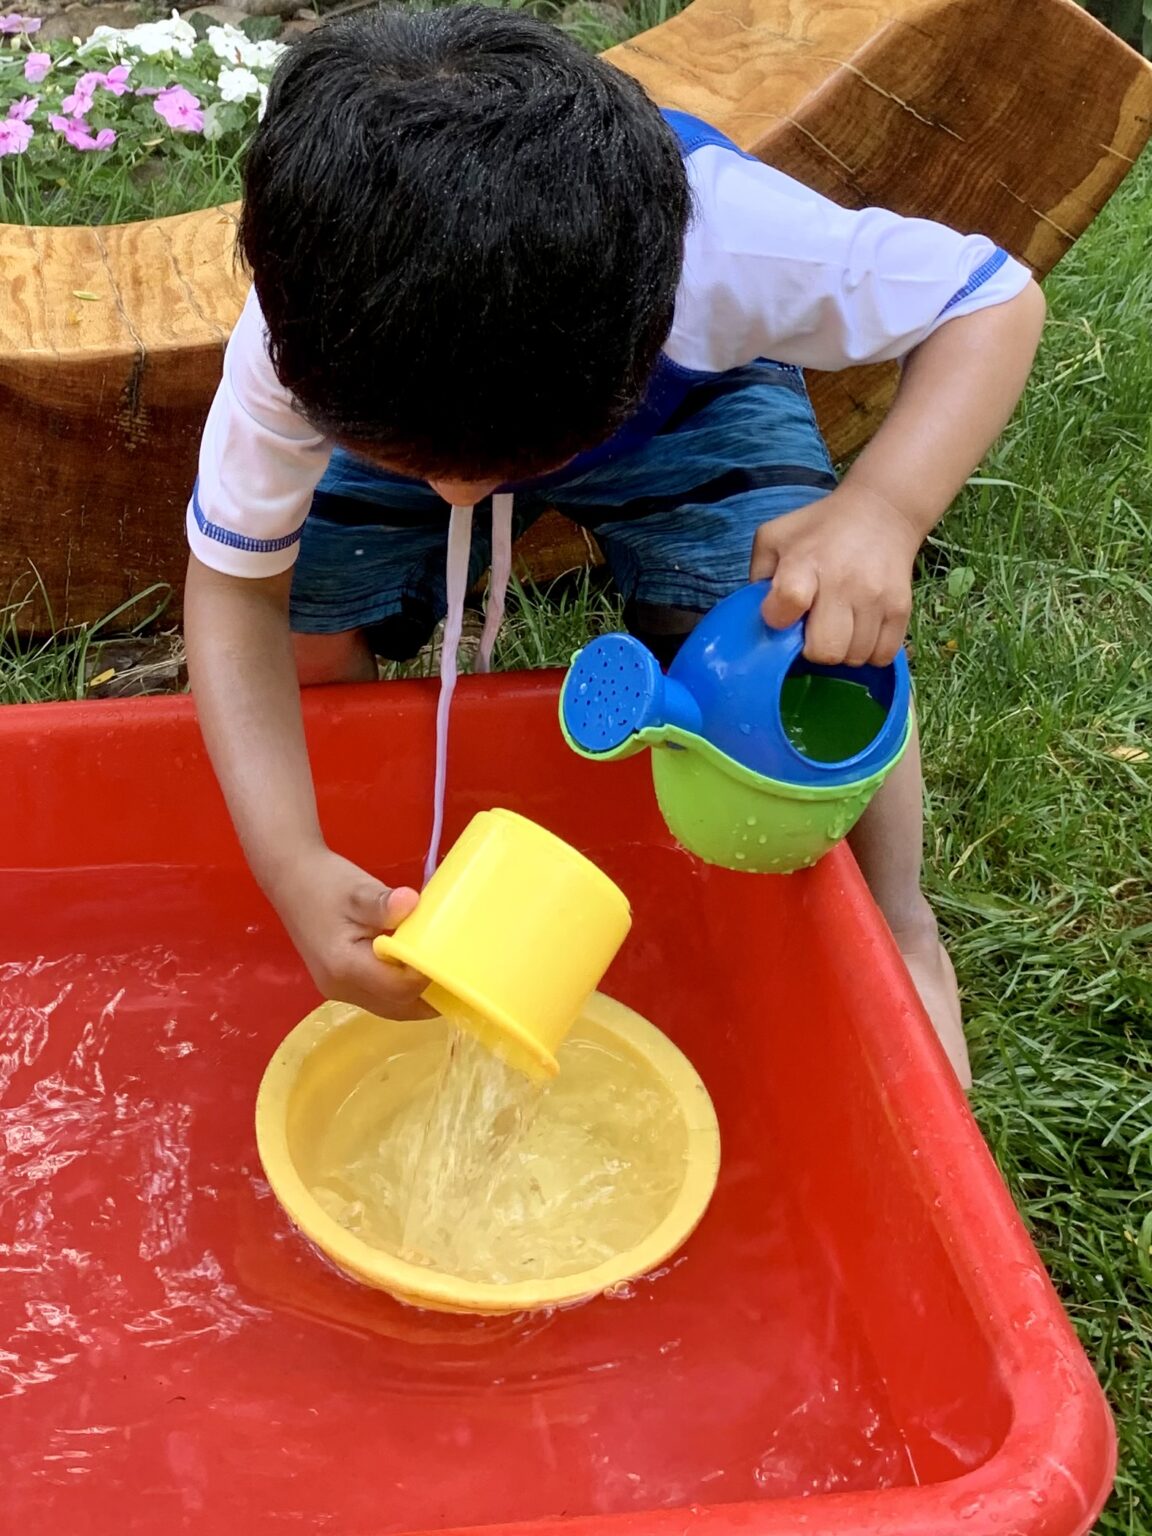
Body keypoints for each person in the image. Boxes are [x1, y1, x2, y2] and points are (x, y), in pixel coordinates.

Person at [184, 5, 1046, 1087]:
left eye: (491, 467)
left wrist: (883, 511)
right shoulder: (307, 331)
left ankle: (897, 920)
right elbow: (235, 593)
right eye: (429, 468)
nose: (462, 494)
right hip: (418, 391)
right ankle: (350, 837)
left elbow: (992, 299)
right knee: (304, 614)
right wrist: (287, 862)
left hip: (679, 402)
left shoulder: (729, 242)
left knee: (804, 629)